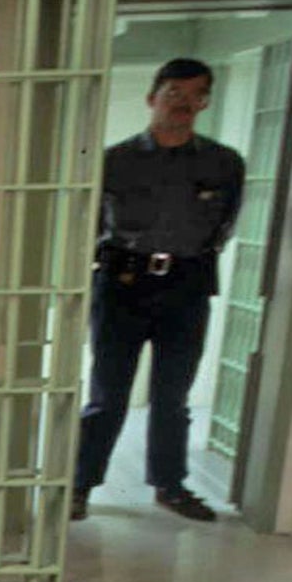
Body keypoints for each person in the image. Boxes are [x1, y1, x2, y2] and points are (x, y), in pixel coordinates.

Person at [71, 58, 245, 522]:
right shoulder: (115, 161)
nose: (183, 104)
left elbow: (225, 224)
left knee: (173, 395)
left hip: (187, 286)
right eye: (174, 94)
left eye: (195, 95)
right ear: (153, 98)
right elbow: (88, 224)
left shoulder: (223, 163)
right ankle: (79, 485)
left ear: (205, 102)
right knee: (108, 393)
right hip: (122, 283)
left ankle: (170, 486)